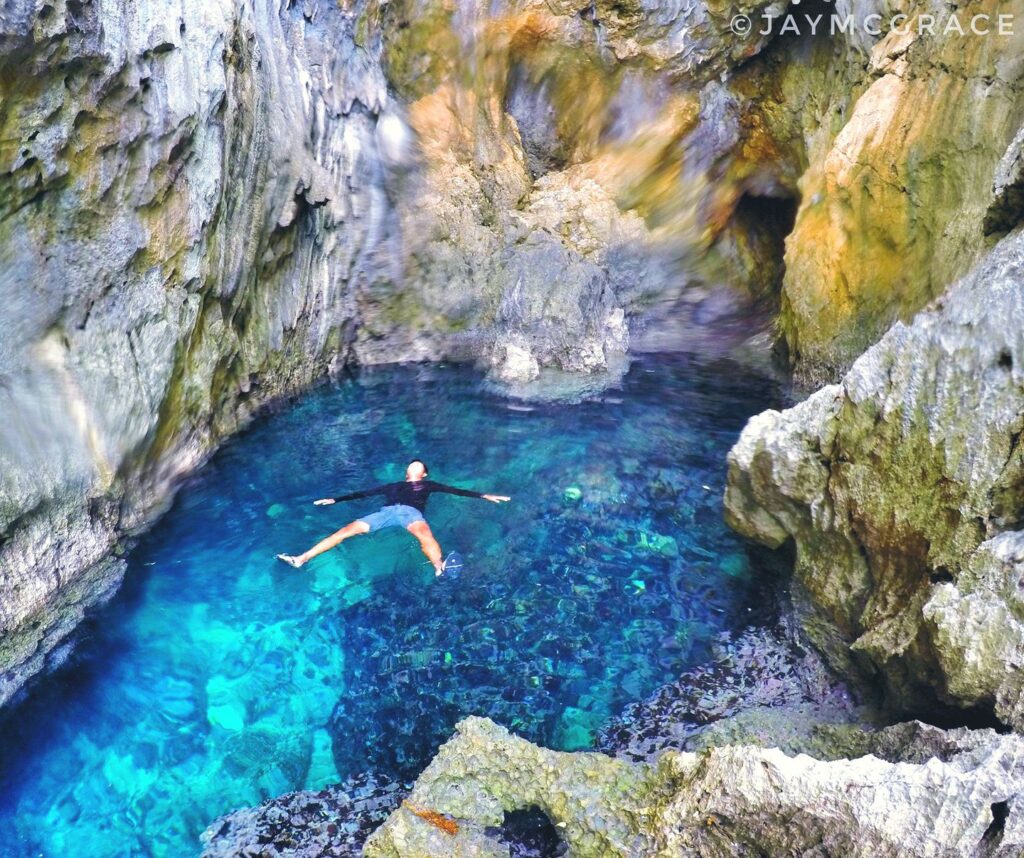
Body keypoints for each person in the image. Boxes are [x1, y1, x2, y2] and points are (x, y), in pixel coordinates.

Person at [276, 460, 510, 575]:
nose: (414, 465)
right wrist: (336, 500)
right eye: (412, 464)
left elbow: (455, 490)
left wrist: (484, 495)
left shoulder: (428, 484)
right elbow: (364, 493)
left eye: (419, 465)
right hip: (385, 513)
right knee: (345, 531)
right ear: (407, 472)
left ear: (424, 473)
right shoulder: (393, 486)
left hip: (411, 513)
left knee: (424, 534)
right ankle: (302, 558)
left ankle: (439, 567)